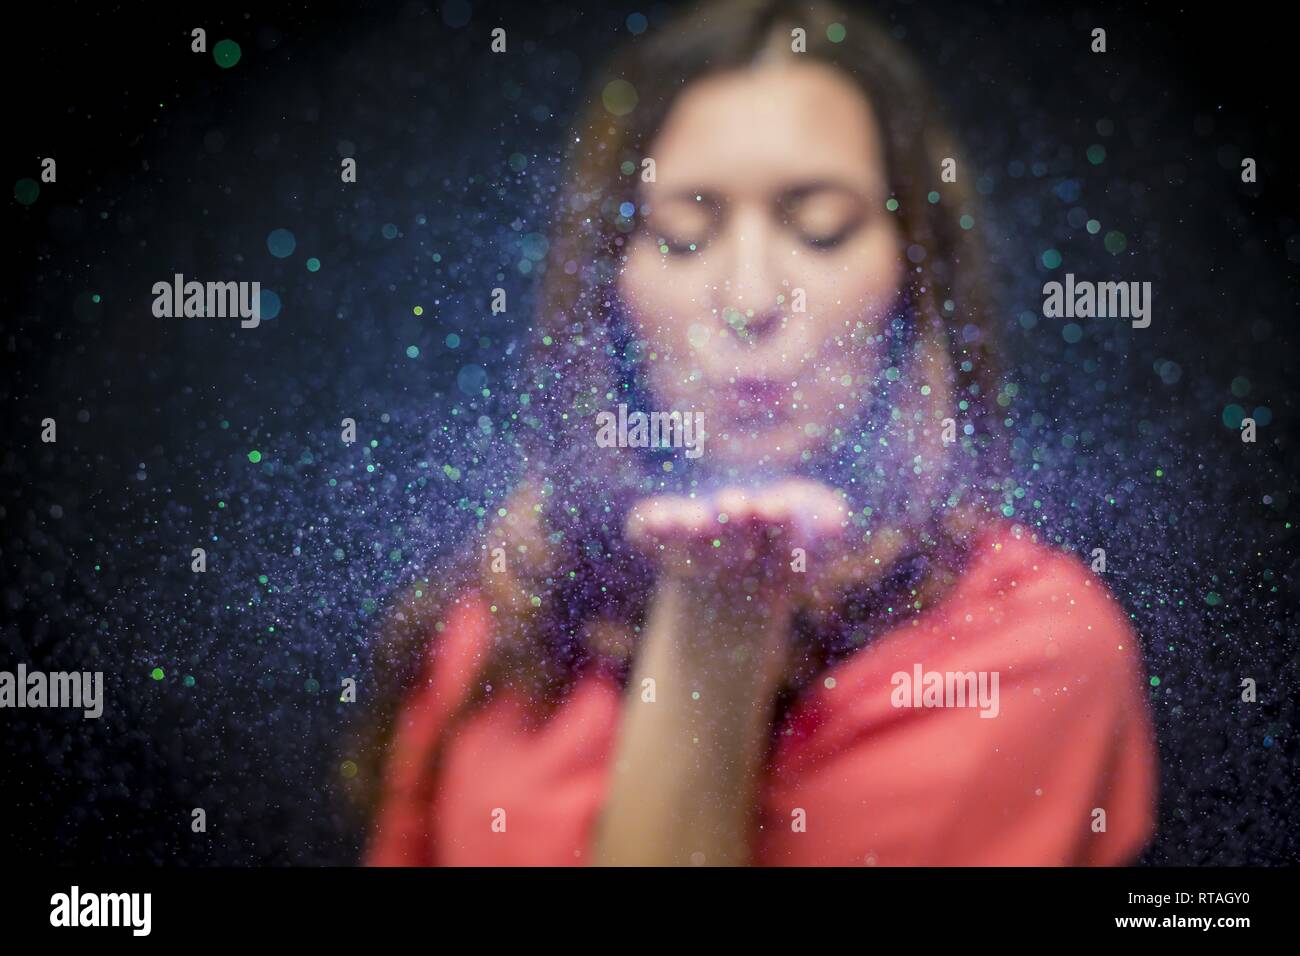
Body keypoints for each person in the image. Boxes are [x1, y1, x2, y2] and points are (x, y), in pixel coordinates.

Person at [357, 0, 1158, 866]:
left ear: (915, 269)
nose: (748, 301)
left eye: (820, 228)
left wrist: (714, 633)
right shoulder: (504, 620)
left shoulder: (1028, 645)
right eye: (683, 234)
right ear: (606, 285)